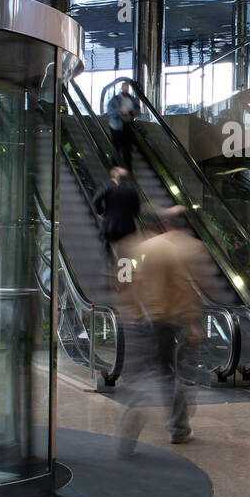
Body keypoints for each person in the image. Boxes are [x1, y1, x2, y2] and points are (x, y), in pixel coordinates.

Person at [118, 206, 210, 452]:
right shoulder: (168, 249)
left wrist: (129, 311)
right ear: (161, 224)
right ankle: (177, 427)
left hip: (138, 321)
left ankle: (139, 405)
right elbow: (183, 286)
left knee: (149, 372)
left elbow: (126, 281)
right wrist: (193, 323)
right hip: (165, 321)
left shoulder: (135, 248)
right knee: (166, 374)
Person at [92, 166, 139, 263]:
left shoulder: (108, 187)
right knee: (125, 254)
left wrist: (101, 212)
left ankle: (108, 269)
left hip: (111, 225)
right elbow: (136, 210)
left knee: (107, 248)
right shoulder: (132, 191)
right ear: (125, 178)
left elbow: (96, 200)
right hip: (128, 227)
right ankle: (124, 276)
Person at [105, 81, 140, 171]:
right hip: (116, 126)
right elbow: (110, 112)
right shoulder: (115, 99)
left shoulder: (132, 99)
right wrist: (120, 111)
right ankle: (114, 168)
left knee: (127, 148)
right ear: (121, 88)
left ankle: (128, 169)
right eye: (124, 87)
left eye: (127, 88)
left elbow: (137, 111)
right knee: (116, 147)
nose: (126, 89)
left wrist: (133, 113)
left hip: (128, 125)